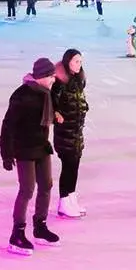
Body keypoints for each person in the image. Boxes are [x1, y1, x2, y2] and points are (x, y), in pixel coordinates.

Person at [0, 57, 60, 256]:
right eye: (51, 76)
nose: (54, 79)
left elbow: (48, 114)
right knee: (27, 189)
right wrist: (7, 154)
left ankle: (40, 227)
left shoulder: (46, 93)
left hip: (41, 147)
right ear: (42, 76)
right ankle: (16, 235)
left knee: (47, 185)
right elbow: (8, 125)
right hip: (25, 149)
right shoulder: (22, 95)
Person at [52, 49, 89, 219]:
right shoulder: (60, 82)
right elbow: (52, 102)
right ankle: (64, 202)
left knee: (74, 167)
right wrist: (56, 114)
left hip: (76, 132)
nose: (78, 65)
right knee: (68, 167)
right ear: (67, 62)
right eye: (75, 61)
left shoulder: (78, 80)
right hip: (65, 132)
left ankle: (71, 198)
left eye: (80, 62)